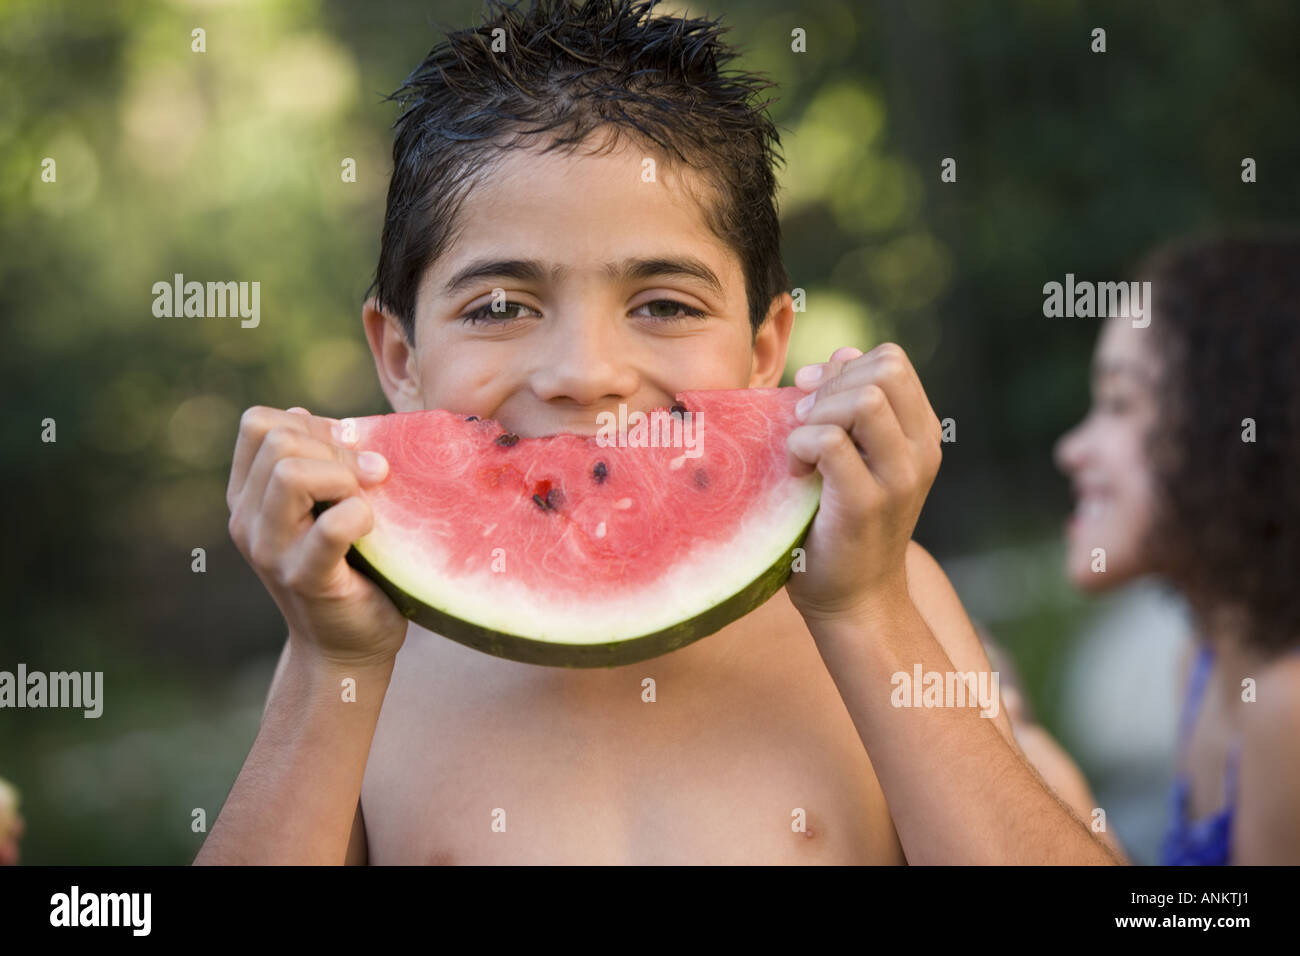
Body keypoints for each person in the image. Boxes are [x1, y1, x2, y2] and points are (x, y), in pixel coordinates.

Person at [196, 0, 1117, 865]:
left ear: (765, 353)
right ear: (398, 357)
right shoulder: (357, 646)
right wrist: (331, 665)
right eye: (503, 306)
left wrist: (864, 610)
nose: (586, 374)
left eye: (665, 304)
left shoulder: (887, 593)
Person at [1054, 232, 1300, 864]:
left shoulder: (1286, 705)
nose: (1072, 449)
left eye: (1119, 403)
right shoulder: (1204, 665)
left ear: (1230, 428)